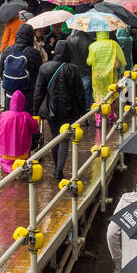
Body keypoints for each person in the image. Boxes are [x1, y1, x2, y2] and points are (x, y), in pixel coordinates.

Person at [32, 44, 88, 181]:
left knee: (54, 137)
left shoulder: (44, 68)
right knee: (65, 139)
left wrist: (36, 111)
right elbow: (80, 93)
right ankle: (58, 170)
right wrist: (83, 112)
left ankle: (57, 167)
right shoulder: (73, 69)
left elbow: (38, 92)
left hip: (51, 110)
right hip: (70, 110)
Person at [0, 89, 38, 175]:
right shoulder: (26, 116)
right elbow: (35, 129)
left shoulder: (3, 115)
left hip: (5, 153)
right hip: (22, 154)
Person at [0, 24, 42, 109]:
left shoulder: (7, 50)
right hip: (27, 96)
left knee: (11, 119)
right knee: (25, 120)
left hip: (10, 96)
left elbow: (0, 73)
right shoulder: (33, 53)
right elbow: (39, 77)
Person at [86, 28, 124, 109]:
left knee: (99, 97)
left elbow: (89, 62)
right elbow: (121, 59)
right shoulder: (113, 44)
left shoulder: (92, 46)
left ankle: (99, 118)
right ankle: (110, 116)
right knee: (110, 94)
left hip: (97, 76)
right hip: (110, 75)